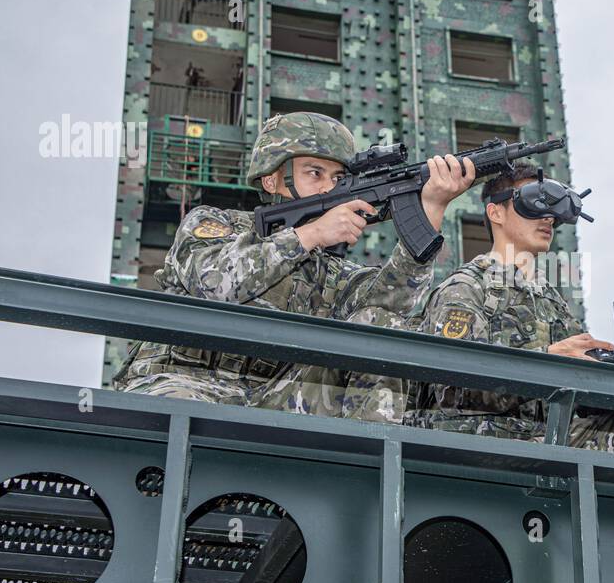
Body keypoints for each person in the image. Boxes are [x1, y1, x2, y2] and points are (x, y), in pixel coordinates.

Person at [113, 111, 474, 414]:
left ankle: (372, 477)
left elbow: (391, 305)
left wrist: (430, 212)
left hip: (273, 398)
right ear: (273, 179)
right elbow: (217, 285)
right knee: (179, 416)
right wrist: (310, 235)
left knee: (379, 327)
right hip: (181, 383)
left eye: (336, 178)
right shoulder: (215, 224)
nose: (327, 189)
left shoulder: (330, 269)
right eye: (314, 173)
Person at [408, 164, 614, 459]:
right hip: (479, 440)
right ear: (496, 213)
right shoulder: (466, 287)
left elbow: (578, 388)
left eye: (552, 210)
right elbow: (453, 389)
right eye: (533, 203)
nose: (548, 218)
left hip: (545, 438)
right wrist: (546, 361)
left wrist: (609, 373)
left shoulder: (551, 301)